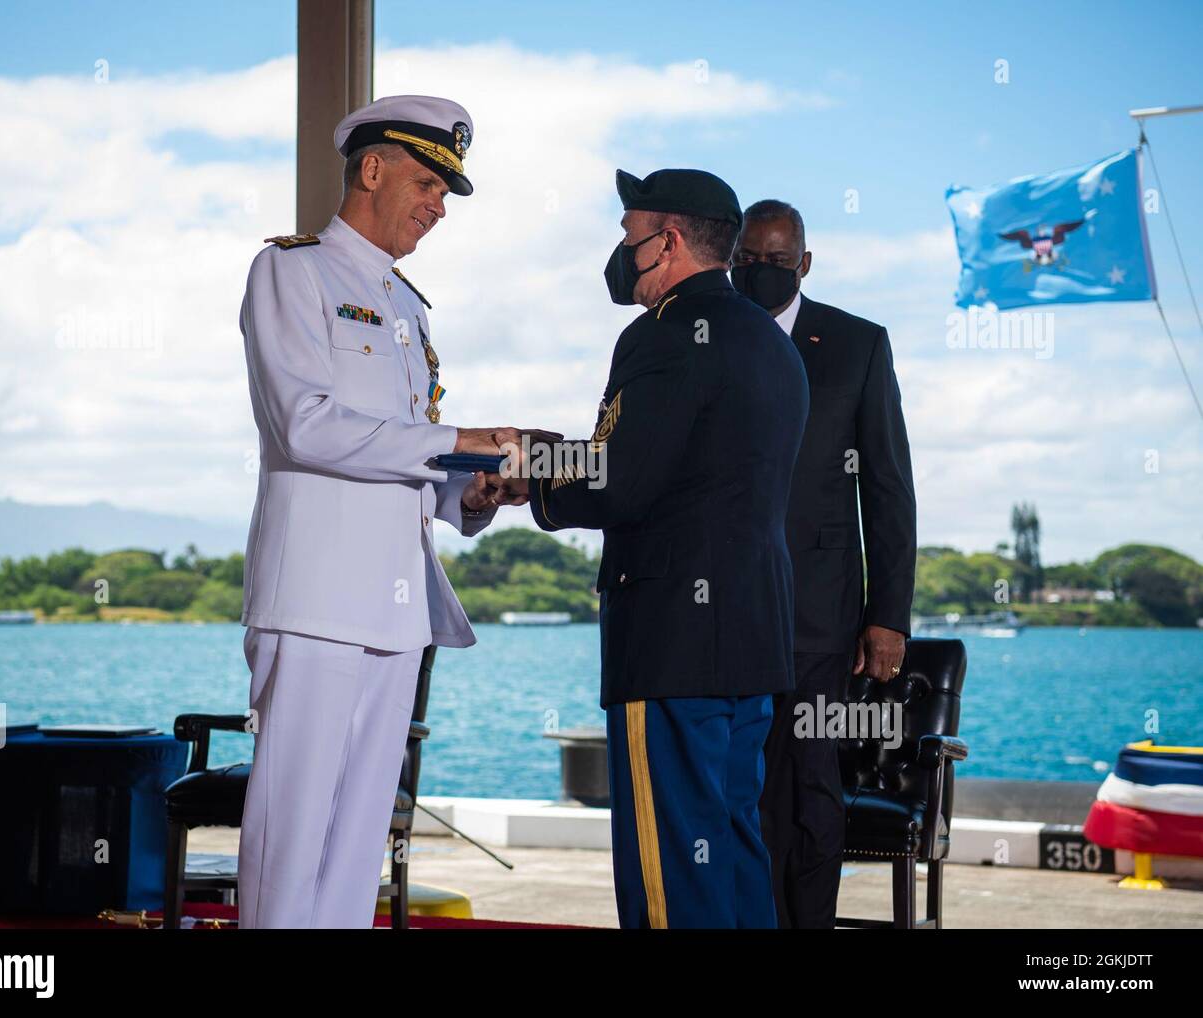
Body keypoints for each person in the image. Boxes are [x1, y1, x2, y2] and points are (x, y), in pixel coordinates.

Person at [491, 169, 808, 928]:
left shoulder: (662, 336)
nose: (621, 252)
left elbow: (621, 478)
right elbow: (686, 471)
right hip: (751, 642)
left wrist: (531, 469)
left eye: (629, 236)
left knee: (670, 873)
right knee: (731, 853)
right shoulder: (771, 341)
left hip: (671, 642)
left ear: (666, 242)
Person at [236, 94, 524, 928]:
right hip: (316, 601)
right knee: (292, 839)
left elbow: (404, 455)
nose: (439, 208)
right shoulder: (290, 273)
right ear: (372, 168)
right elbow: (306, 426)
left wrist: (467, 489)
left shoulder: (408, 308)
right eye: (430, 185)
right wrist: (455, 435)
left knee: (358, 845)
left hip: (397, 612)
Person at [732, 199, 917, 929]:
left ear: (804, 263)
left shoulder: (858, 344)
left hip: (824, 622)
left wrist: (887, 618)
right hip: (728, 611)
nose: (763, 271)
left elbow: (889, 488)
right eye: (750, 259)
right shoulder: (708, 334)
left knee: (812, 788)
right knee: (739, 788)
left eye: (778, 261)